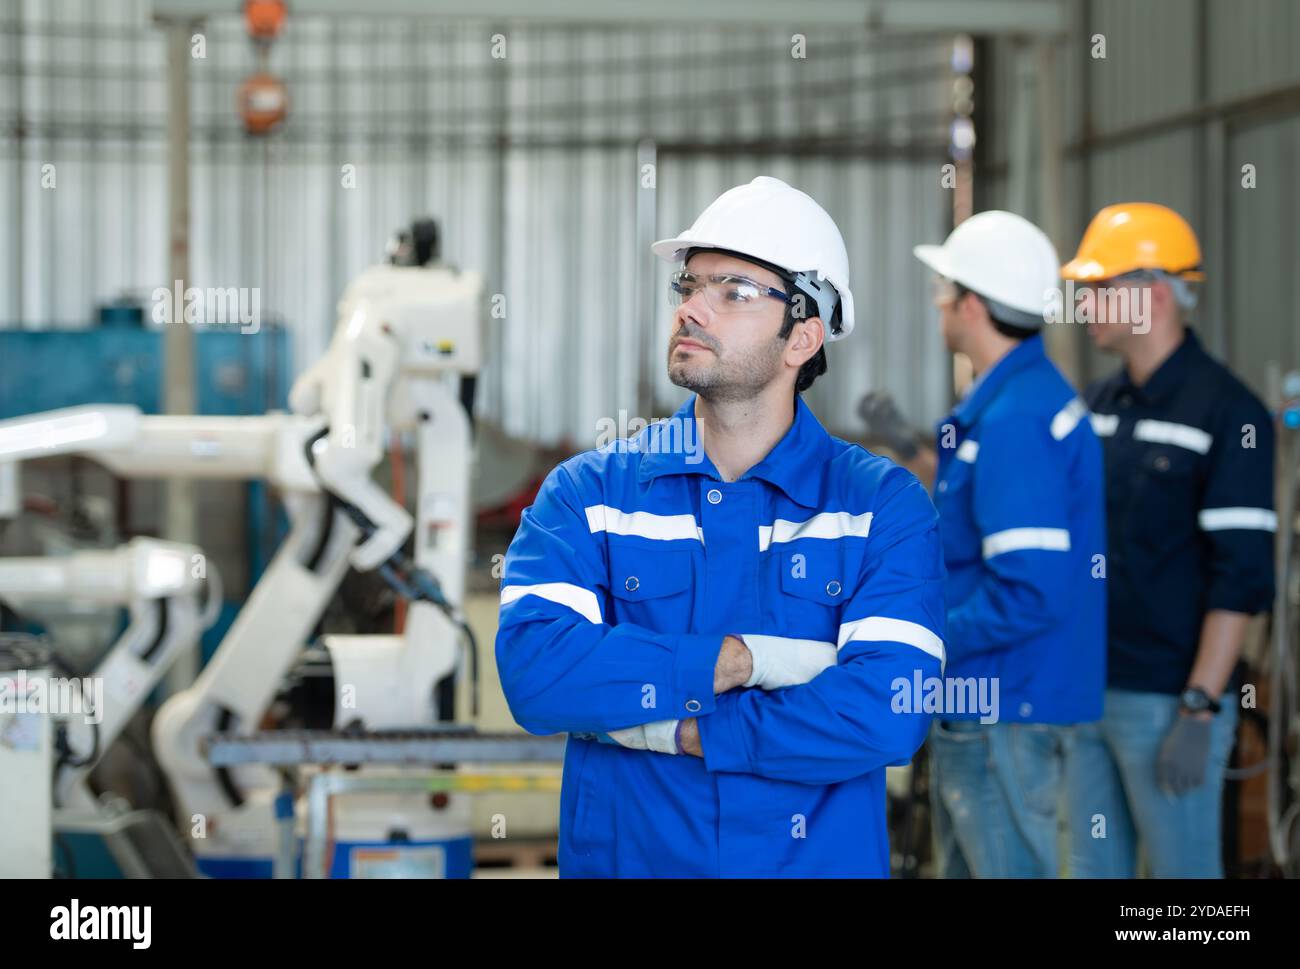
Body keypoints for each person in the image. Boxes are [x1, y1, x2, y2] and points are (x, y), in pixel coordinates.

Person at [495, 176, 945, 877]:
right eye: (689, 286)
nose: (691, 309)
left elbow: (889, 709)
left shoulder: (879, 506)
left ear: (803, 335)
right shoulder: (589, 494)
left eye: (733, 291)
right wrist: (747, 661)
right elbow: (536, 676)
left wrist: (684, 729)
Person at [1062, 203, 1276, 877]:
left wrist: (1200, 704)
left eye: (1099, 288)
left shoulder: (1228, 412)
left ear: (1152, 293)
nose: (1085, 302)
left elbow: (1239, 576)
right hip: (1089, 688)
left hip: (1167, 701)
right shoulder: (1097, 405)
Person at [892, 210, 1107, 878]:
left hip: (1000, 703)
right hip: (997, 700)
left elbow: (1030, 588)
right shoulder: (1014, 402)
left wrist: (923, 639)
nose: (936, 303)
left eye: (943, 289)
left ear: (973, 305)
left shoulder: (1016, 421)